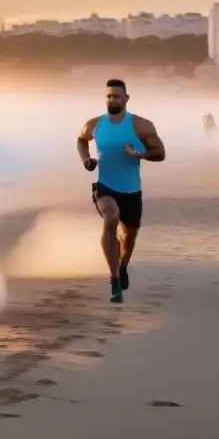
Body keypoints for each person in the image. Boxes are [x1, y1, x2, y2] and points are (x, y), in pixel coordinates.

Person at [76, 79, 165, 303]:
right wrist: (87, 160)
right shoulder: (95, 125)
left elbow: (160, 153)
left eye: (116, 96)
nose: (112, 100)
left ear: (126, 99)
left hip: (132, 191)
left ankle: (123, 265)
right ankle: (114, 279)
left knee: (130, 236)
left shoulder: (141, 126)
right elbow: (81, 139)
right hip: (105, 187)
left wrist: (139, 154)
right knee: (111, 216)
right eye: (108, 96)